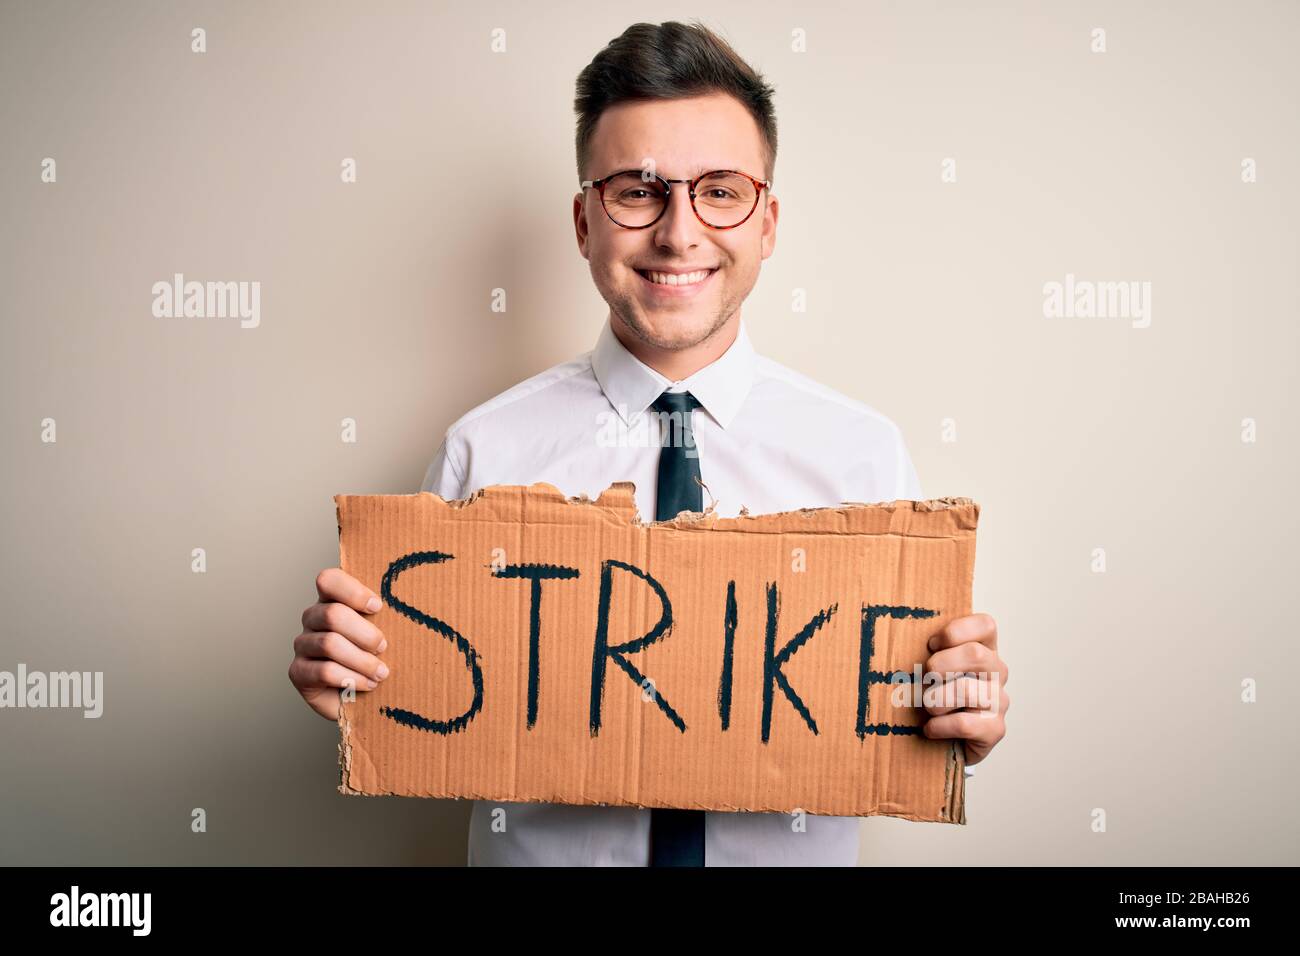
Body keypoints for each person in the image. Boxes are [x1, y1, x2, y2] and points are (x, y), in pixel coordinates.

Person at [289, 19, 1009, 866]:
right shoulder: (481, 454)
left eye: (721, 191)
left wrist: (960, 714)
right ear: (584, 221)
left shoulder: (864, 461)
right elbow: (417, 703)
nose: (678, 231)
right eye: (638, 190)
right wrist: (354, 676)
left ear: (767, 222)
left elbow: (911, 713)